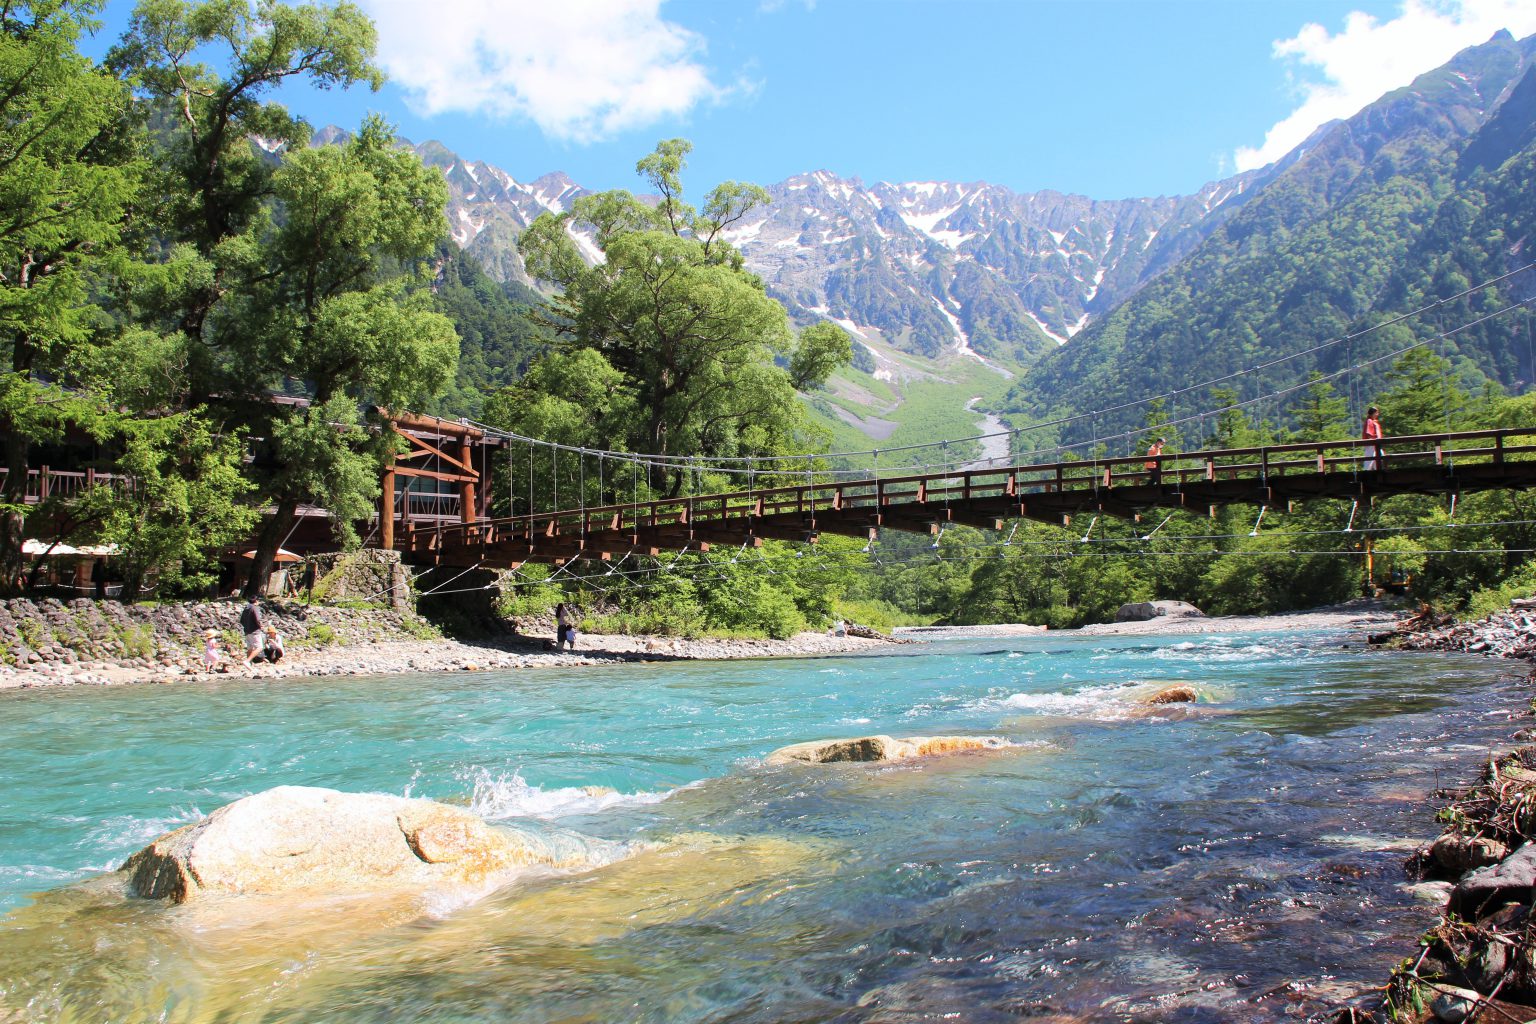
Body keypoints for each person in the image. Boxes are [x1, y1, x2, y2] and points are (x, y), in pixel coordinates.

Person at [239, 595, 264, 666]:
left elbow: (241, 620)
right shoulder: (254, 608)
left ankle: (249, 665)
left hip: (247, 631)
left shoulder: (246, 608)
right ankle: (247, 661)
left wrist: (247, 626)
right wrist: (260, 626)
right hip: (255, 631)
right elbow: (258, 619)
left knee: (250, 648)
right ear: (256, 601)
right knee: (259, 647)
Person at [1361, 407, 1384, 471]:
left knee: (1378, 459)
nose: (1377, 414)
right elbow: (1369, 434)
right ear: (1373, 413)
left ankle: (1377, 473)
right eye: (1376, 413)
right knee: (1370, 462)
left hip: (1375, 444)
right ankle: (1369, 475)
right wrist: (1374, 440)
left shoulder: (1372, 421)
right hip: (1372, 445)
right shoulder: (1369, 421)